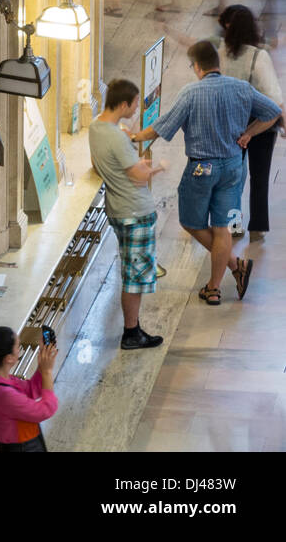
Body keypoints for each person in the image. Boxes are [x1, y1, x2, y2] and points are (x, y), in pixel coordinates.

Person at [133, 41, 282, 304]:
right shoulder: (240, 88)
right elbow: (273, 112)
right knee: (222, 227)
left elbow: (161, 126)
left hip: (203, 167)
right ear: (218, 64)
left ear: (197, 66)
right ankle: (214, 287)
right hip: (235, 165)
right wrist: (249, 133)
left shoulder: (191, 92)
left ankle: (235, 266)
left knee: (191, 222)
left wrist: (134, 136)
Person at [89, 79, 165, 349]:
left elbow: (103, 166)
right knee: (135, 276)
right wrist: (154, 168)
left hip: (118, 208)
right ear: (123, 104)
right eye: (134, 104)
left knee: (131, 270)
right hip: (135, 211)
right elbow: (138, 178)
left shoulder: (97, 127)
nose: (136, 109)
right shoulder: (116, 137)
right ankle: (131, 333)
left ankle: (133, 330)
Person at [215, 5, 284, 241]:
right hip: (261, 126)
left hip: (232, 123)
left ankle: (234, 226)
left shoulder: (222, 52)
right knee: (259, 176)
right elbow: (274, 100)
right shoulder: (258, 56)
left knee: (234, 177)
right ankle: (257, 229)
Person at [0, 327, 58, 452]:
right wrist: (47, 372)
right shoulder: (3, 394)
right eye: (18, 346)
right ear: (9, 358)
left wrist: (42, 366)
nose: (19, 350)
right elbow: (46, 409)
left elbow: (31, 389)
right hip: (21, 448)